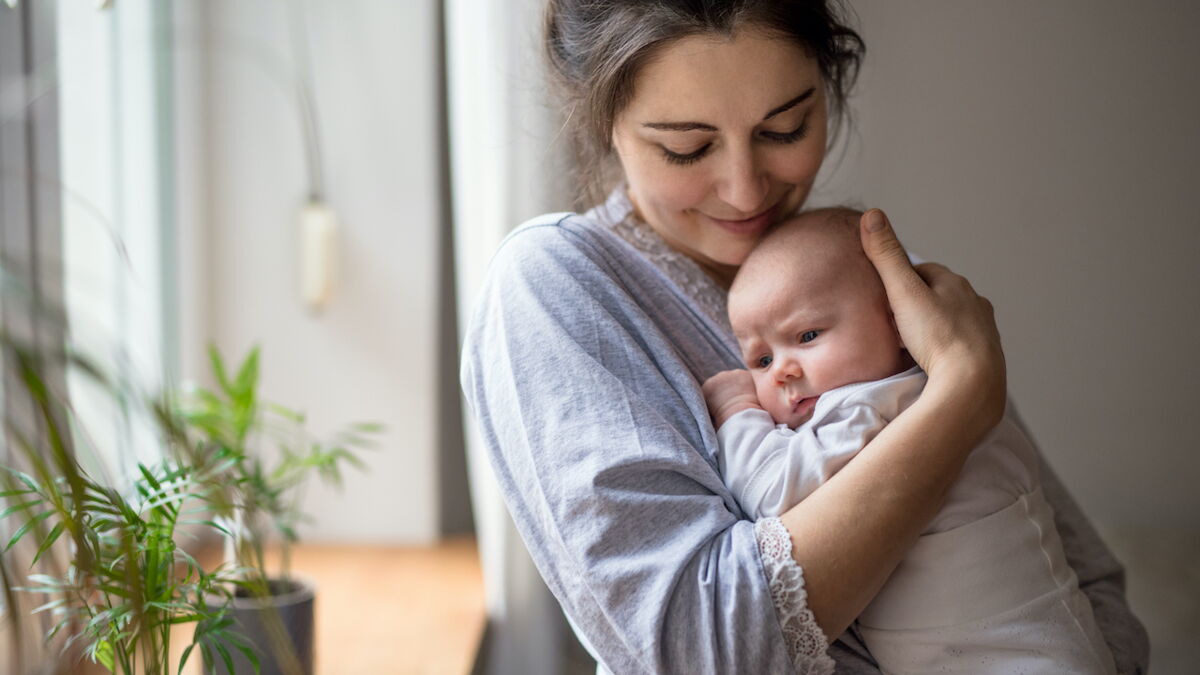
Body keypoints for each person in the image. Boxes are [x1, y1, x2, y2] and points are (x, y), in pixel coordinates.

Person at [460, 1, 1149, 672]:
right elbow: (697, 650)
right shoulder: (553, 285)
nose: (744, 190)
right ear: (600, 120)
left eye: (784, 129)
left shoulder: (850, 267)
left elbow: (1087, 578)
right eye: (687, 147)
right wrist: (960, 398)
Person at [702, 210, 1116, 673]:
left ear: (900, 322)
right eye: (760, 359)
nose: (783, 370)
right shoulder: (919, 394)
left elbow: (772, 493)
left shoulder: (875, 407)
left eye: (808, 335)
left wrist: (737, 414)